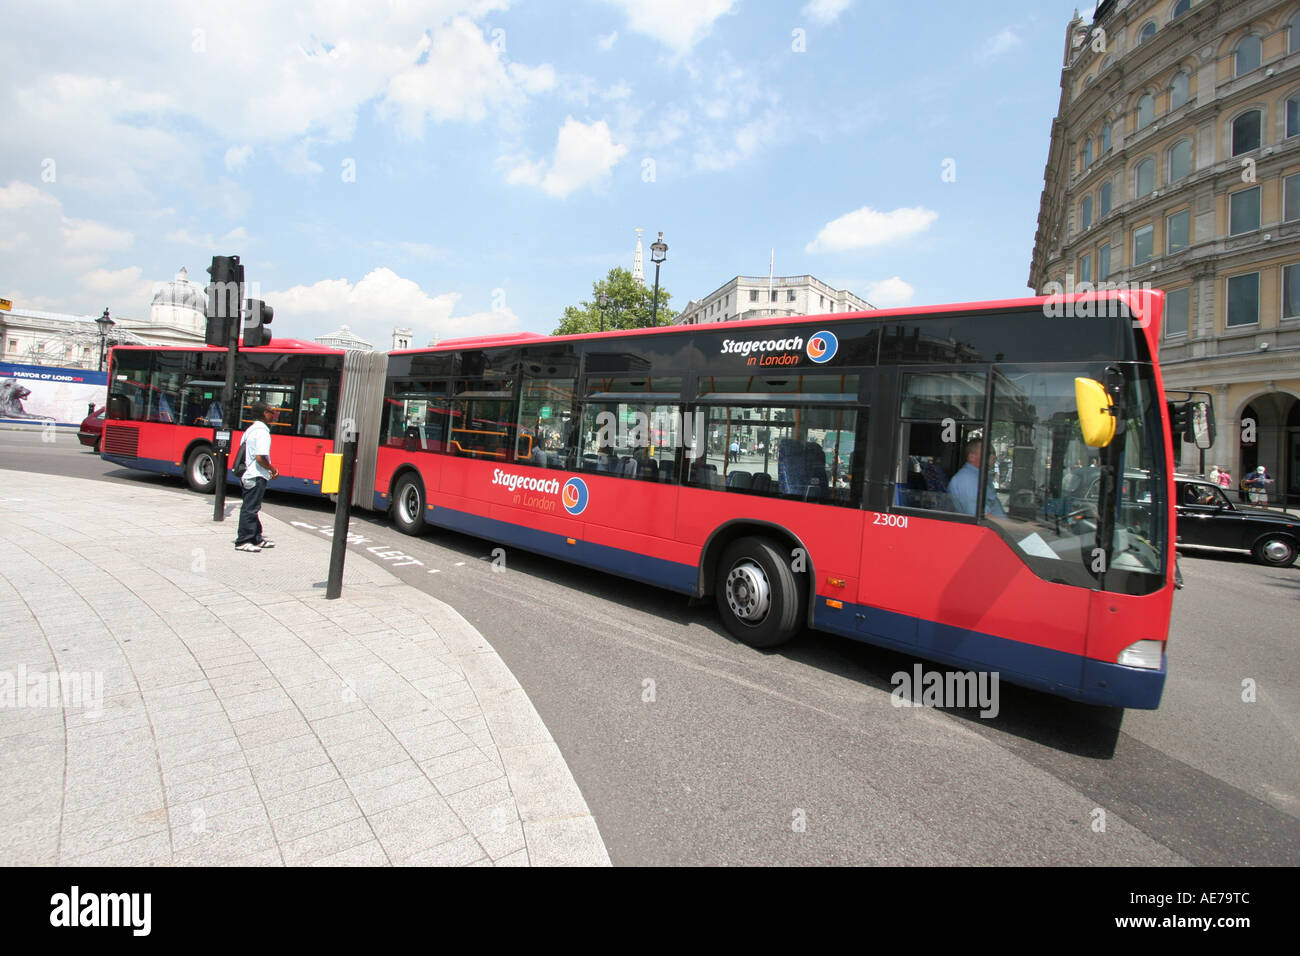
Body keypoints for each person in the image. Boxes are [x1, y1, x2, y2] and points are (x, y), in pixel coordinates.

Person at [236, 402, 280, 552]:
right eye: (271, 411)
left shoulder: (250, 430)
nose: (273, 414)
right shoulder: (262, 432)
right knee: (250, 509)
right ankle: (243, 540)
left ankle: (256, 538)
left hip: (249, 474)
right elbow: (260, 457)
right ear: (264, 413)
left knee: (253, 507)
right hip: (255, 475)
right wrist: (273, 469)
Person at [948, 438, 1006, 517]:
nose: (994, 457)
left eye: (994, 453)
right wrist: (1020, 527)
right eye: (988, 453)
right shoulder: (966, 480)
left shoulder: (981, 478)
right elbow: (983, 518)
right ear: (972, 457)